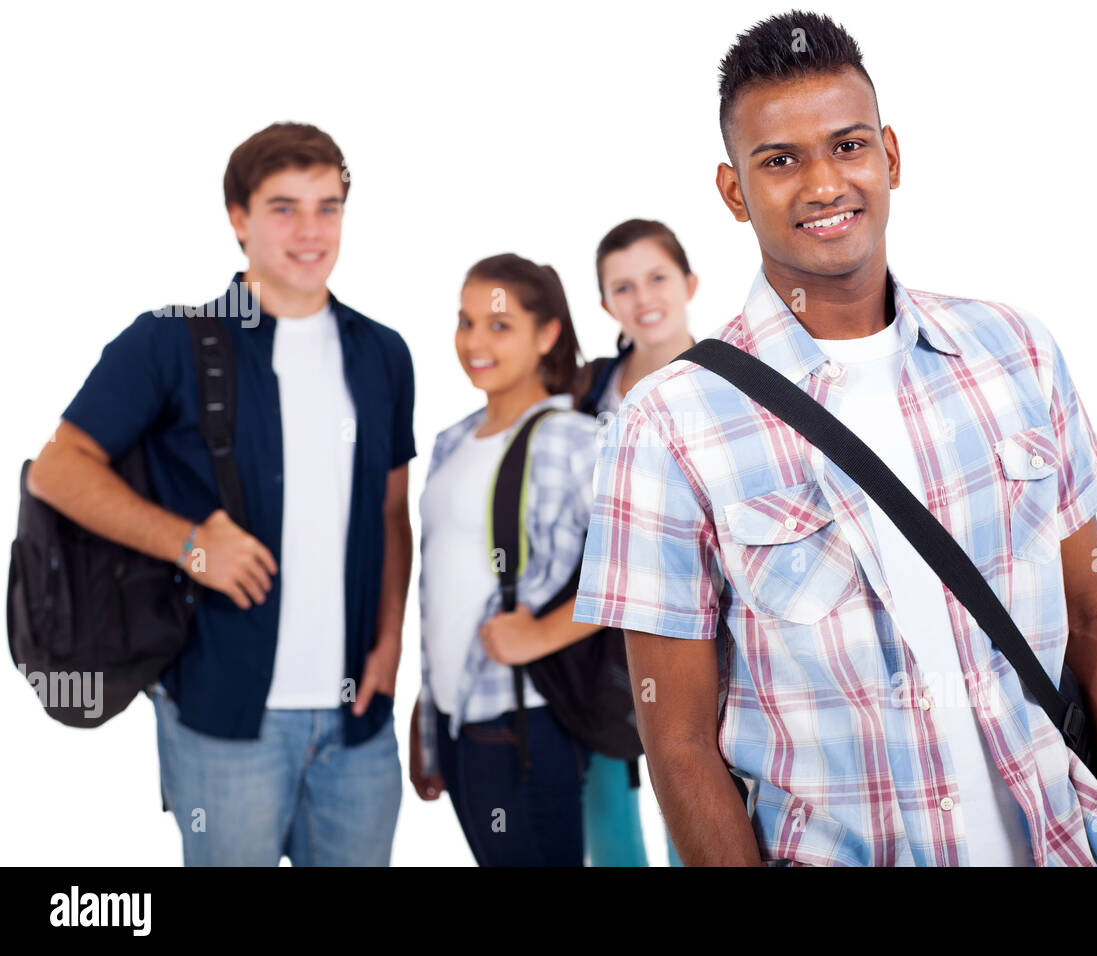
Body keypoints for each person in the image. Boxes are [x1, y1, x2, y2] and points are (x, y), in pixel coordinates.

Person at [573, 11, 1097, 866]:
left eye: (847, 146)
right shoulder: (667, 424)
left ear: (890, 154)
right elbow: (679, 743)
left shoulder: (1015, 351)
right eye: (779, 160)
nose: (822, 184)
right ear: (733, 191)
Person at [26, 122, 416, 865]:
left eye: (328, 206)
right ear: (237, 218)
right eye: (284, 207)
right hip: (223, 718)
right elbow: (58, 469)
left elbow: (392, 512)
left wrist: (392, 640)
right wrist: (187, 545)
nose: (311, 231)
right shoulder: (170, 341)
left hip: (358, 725)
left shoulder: (383, 353)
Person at [408, 253, 604, 866]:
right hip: (454, 714)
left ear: (546, 334)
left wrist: (543, 631)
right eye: (465, 323)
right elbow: (442, 584)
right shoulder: (450, 440)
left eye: (498, 325)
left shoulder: (576, 440)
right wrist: (425, 708)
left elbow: (650, 568)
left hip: (523, 722)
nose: (474, 342)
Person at [575, 219, 697, 867]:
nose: (643, 297)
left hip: (702, 636)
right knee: (610, 822)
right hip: (598, 644)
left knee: (698, 802)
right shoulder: (583, 391)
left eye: (657, 277)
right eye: (622, 286)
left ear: (689, 283)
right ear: (604, 304)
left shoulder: (733, 382)